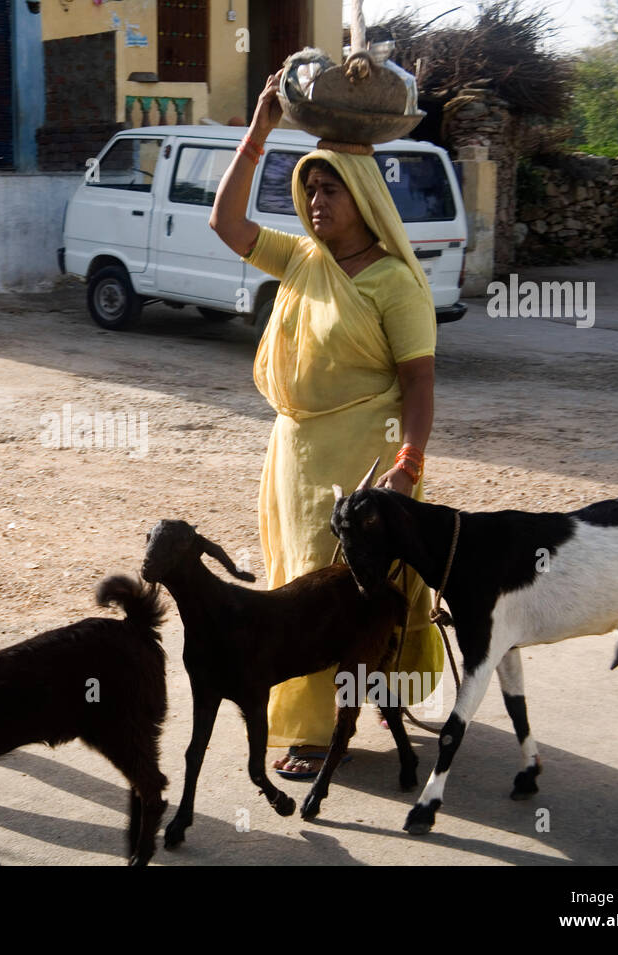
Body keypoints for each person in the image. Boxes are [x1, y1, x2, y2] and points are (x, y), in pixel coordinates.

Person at [211, 70, 444, 778]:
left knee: (341, 587)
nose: (315, 200)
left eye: (330, 188)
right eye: (310, 188)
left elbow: (420, 384)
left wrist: (408, 463)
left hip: (367, 461)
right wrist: (258, 133)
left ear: (363, 197)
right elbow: (225, 223)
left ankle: (315, 729)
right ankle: (347, 698)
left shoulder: (395, 283)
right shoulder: (302, 257)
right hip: (295, 454)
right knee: (299, 580)